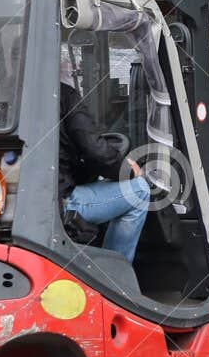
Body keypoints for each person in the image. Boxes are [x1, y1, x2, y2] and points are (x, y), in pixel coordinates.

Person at [58, 81, 150, 264]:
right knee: (139, 190)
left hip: (9, 204)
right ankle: (115, 278)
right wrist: (128, 171)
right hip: (60, 203)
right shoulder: (62, 95)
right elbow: (95, 150)